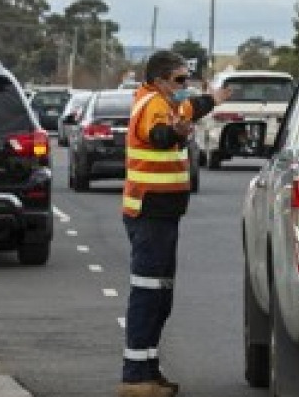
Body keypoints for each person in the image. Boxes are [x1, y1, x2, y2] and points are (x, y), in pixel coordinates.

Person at [118, 50, 230, 397]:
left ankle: (148, 370)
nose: (185, 86)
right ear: (161, 79)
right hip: (149, 212)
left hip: (163, 212)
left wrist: (211, 99)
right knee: (148, 294)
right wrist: (177, 133)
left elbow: (189, 110)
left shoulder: (168, 103)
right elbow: (160, 136)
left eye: (187, 80)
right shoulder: (151, 104)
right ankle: (136, 378)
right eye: (180, 80)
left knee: (160, 296)